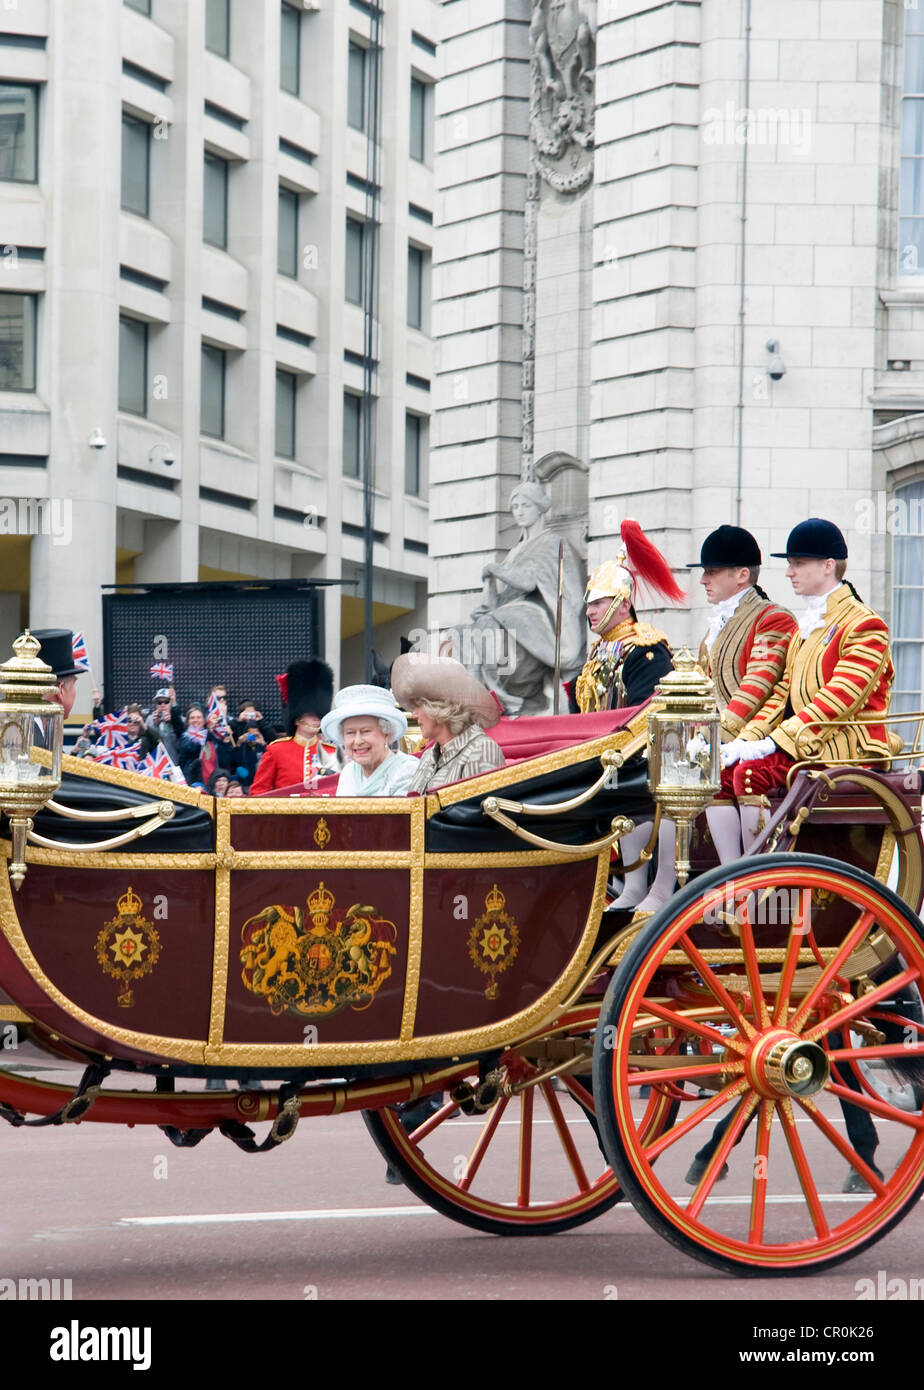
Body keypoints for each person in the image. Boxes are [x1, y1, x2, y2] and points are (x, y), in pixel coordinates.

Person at [625, 526, 798, 913]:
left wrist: (716, 738)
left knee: (691, 769)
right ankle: (661, 885)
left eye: (712, 571)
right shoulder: (713, 631)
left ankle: (736, 880)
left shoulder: (774, 619)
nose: (703, 580)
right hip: (718, 735)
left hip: (760, 733)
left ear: (741, 575)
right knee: (664, 770)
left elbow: (758, 684)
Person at [721, 518, 894, 838]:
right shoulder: (808, 627)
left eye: (798, 564)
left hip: (845, 749)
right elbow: (783, 695)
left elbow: (837, 699)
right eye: (790, 564)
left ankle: (758, 878)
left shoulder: (864, 625)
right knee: (720, 774)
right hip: (807, 744)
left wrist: (773, 742)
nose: (789, 573)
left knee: (749, 774)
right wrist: (748, 738)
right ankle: (735, 876)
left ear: (828, 566)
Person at [573, 523, 682, 912]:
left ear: (622, 604)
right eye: (588, 604)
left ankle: (653, 885)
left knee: (641, 789)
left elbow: (646, 705)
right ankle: (627, 884)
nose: (590, 611)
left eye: (598, 603)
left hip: (647, 748)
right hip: (607, 749)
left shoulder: (644, 647)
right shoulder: (600, 652)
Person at [468, 480, 585, 716]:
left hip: (543, 618)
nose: (519, 512)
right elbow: (508, 593)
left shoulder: (553, 542)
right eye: (515, 507)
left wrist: (495, 569)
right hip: (516, 616)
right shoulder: (515, 550)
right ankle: (483, 699)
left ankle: (499, 699)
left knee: (489, 625)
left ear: (540, 508)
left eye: (525, 505)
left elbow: (530, 581)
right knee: (473, 630)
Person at [391, 654, 505, 793]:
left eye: (419, 705)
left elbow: (477, 812)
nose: (414, 714)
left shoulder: (482, 750)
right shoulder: (428, 757)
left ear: (440, 706)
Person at [249, 659, 339, 795]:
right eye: (310, 714)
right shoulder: (276, 750)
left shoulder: (331, 752)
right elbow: (258, 792)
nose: (316, 719)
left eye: (319, 715)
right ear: (297, 719)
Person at [320, 685, 418, 796]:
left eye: (366, 731)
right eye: (350, 733)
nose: (357, 741)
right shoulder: (348, 772)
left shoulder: (406, 770)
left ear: (386, 733)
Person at [146, 687, 184, 763]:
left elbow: (181, 743)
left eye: (166, 702)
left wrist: (171, 723)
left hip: (175, 764)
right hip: (156, 764)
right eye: (159, 702)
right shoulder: (150, 719)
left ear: (171, 702)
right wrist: (155, 725)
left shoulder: (181, 719)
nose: (162, 705)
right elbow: (148, 743)